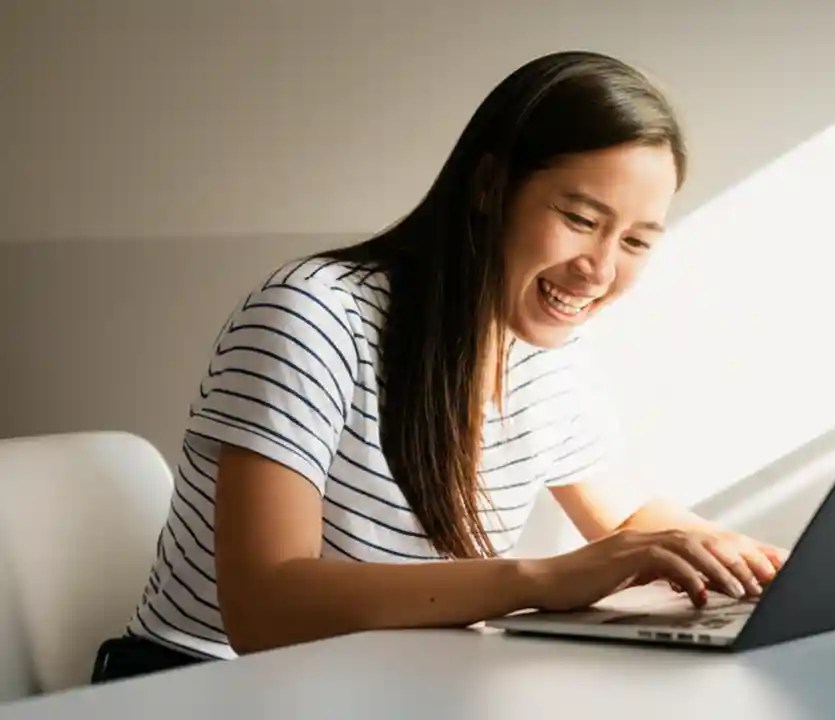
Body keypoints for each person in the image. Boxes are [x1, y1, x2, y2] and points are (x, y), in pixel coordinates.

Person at [91, 50, 787, 684]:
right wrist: (541, 578)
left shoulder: (546, 353)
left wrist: (748, 563)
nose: (600, 270)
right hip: (201, 686)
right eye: (579, 218)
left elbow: (628, 518)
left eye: (635, 240)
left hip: (384, 684)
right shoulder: (313, 315)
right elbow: (265, 611)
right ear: (490, 185)